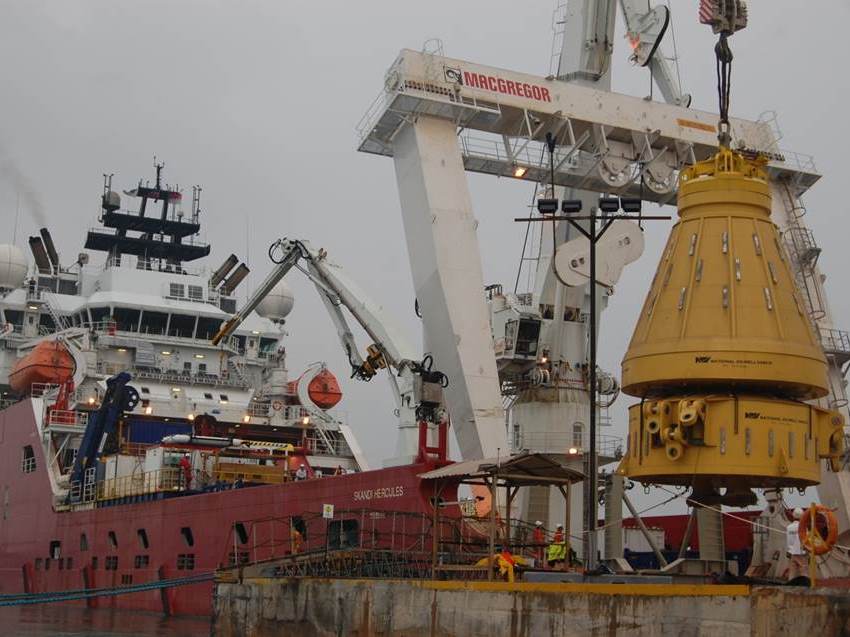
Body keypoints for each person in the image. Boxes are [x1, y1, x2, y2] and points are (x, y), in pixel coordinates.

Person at [785, 507, 807, 580]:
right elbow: (806, 540)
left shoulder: (789, 527)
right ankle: (805, 587)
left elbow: (788, 540)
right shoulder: (803, 527)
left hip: (792, 553)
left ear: (793, 516)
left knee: (792, 572)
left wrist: (788, 550)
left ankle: (790, 587)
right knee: (803, 572)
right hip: (801, 552)